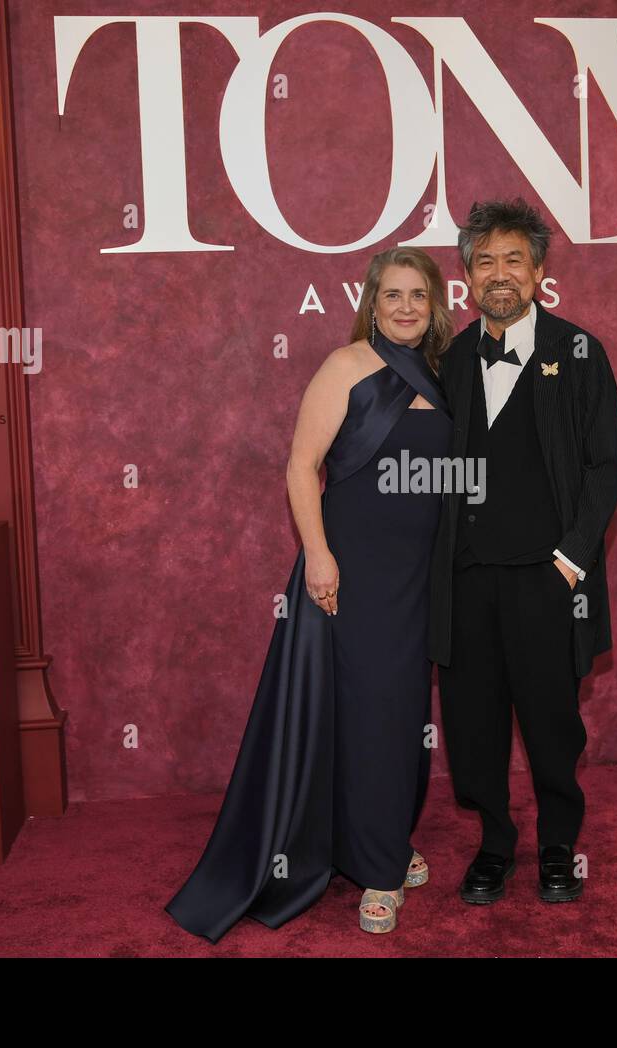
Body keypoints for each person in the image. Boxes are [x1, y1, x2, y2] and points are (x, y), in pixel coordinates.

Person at [166, 247, 453, 940]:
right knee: (373, 712)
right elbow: (301, 466)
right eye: (393, 295)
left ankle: (379, 836)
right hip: (354, 571)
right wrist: (319, 556)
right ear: (372, 304)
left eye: (418, 295)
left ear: (435, 305)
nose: (406, 307)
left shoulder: (445, 374)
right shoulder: (345, 366)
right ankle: (379, 872)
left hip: (421, 575)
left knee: (402, 714)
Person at [427, 198, 617, 905]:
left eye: (514, 259)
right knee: (473, 724)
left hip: (548, 578)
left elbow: (604, 468)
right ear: (467, 278)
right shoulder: (450, 361)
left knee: (551, 724)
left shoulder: (580, 352)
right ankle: (495, 844)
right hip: (468, 580)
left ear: (539, 272)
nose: (499, 273)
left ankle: (559, 845)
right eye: (485, 262)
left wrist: (570, 561)